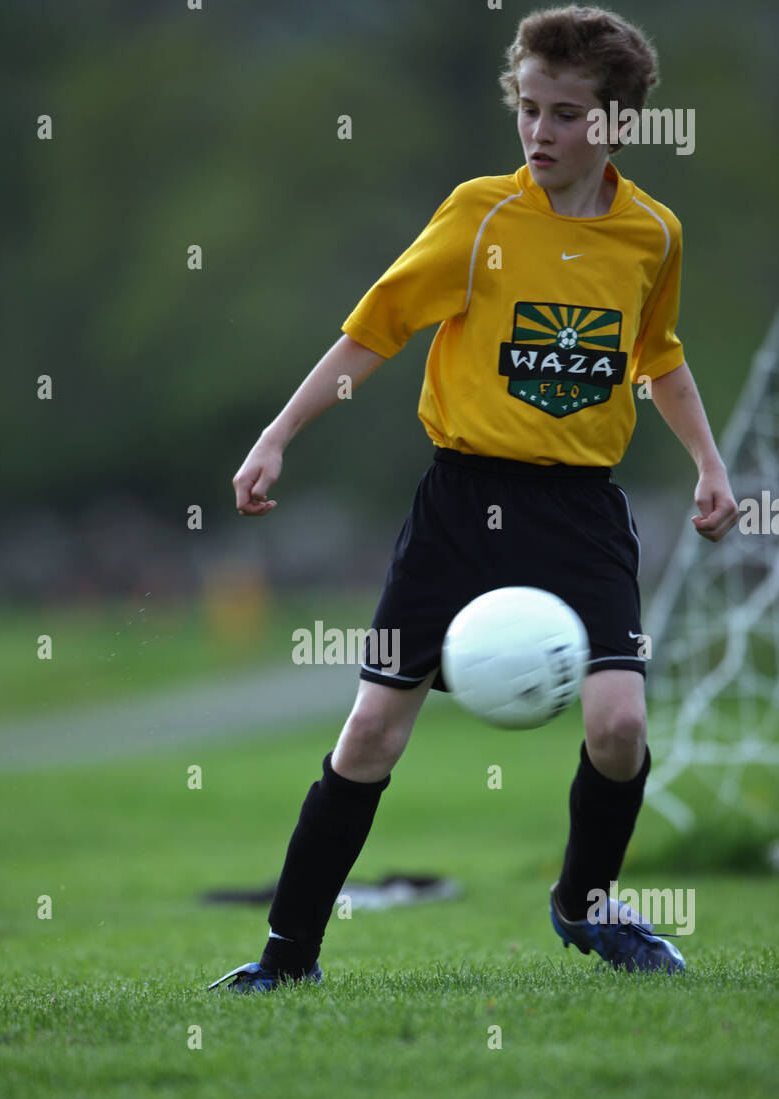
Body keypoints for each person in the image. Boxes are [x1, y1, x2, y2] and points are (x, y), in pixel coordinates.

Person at [209, 5, 738, 993]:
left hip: (581, 509)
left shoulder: (651, 235)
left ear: (618, 122)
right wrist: (278, 436)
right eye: (529, 110)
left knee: (618, 724)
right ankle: (286, 956)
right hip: (461, 503)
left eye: (567, 114)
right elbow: (375, 330)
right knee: (370, 731)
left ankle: (585, 906)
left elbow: (656, 357)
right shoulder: (477, 214)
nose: (541, 132)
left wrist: (707, 464)